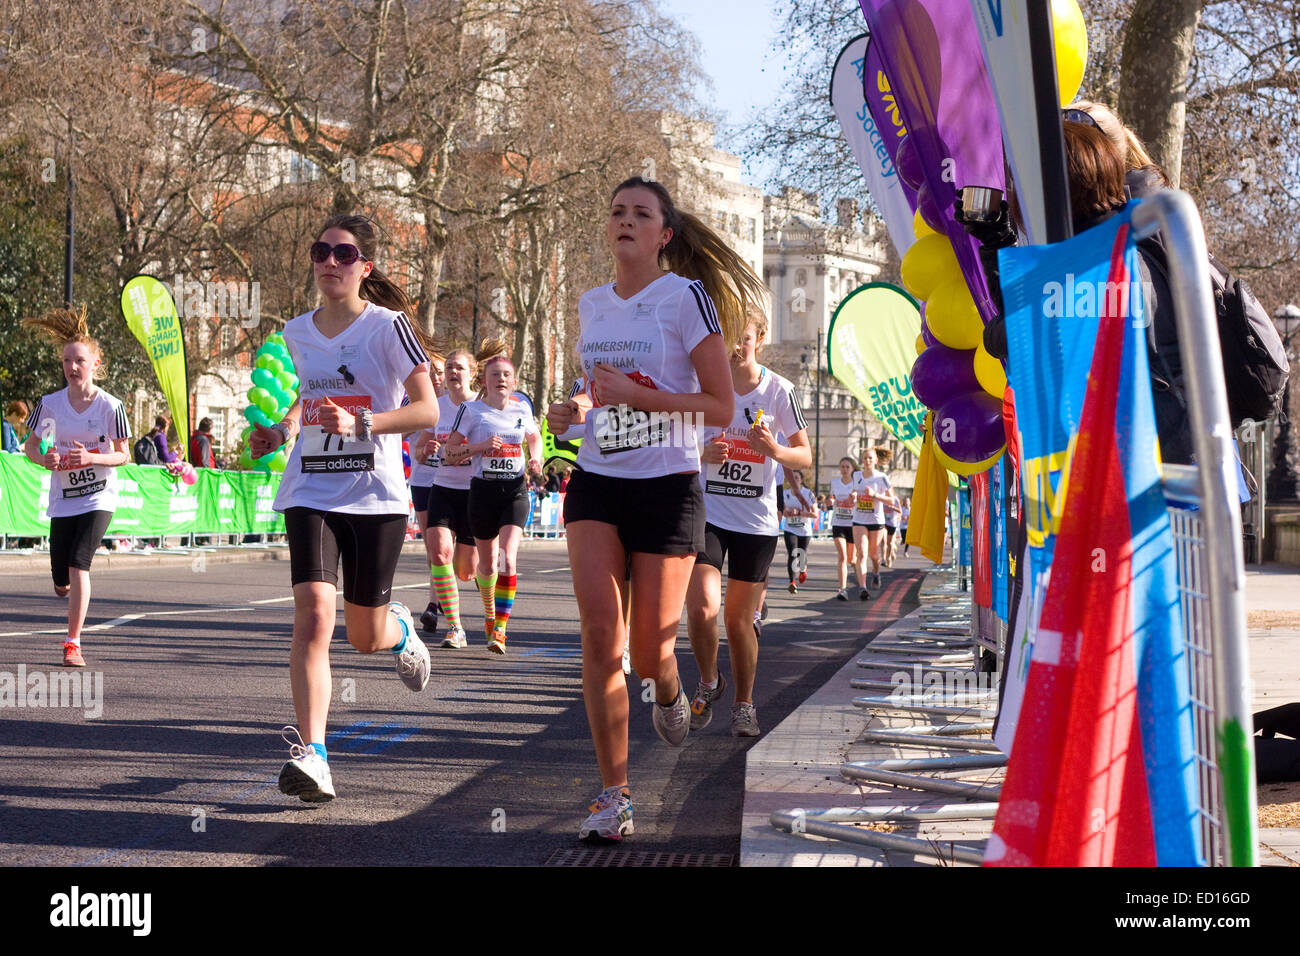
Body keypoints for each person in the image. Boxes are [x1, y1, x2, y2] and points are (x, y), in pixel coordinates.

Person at [546, 175, 764, 843]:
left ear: (664, 235)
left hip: (667, 486)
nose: (625, 221)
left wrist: (639, 399)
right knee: (599, 639)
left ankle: (669, 688)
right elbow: (600, 393)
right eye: (616, 212)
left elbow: (720, 407)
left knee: (646, 652)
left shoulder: (685, 298)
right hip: (597, 481)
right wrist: (577, 410)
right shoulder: (591, 303)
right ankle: (615, 796)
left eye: (641, 214)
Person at [249, 213, 438, 803]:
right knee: (311, 616)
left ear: (365, 267)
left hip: (374, 495)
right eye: (321, 251)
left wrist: (365, 422)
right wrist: (282, 432)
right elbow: (308, 399)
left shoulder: (389, 328)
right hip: (311, 488)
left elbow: (427, 409)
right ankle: (314, 755)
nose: (330, 262)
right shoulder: (296, 332)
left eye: (344, 253)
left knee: (362, 636)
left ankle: (400, 628)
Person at [686, 310, 810, 737]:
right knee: (702, 606)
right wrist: (702, 455)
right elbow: (678, 439)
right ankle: (709, 680)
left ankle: (744, 704)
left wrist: (775, 449)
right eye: (729, 337)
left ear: (760, 339)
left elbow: (805, 455)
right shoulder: (704, 387)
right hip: (710, 512)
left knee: (739, 621)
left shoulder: (779, 391)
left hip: (756, 522)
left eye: (745, 337)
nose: (736, 346)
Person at [21, 307, 131, 667]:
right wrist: (44, 459)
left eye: (80, 360)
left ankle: (73, 643)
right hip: (63, 498)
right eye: (67, 360)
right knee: (61, 578)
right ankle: (64, 589)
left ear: (95, 364)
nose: (72, 367)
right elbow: (32, 447)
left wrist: (92, 459)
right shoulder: (49, 405)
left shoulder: (110, 407)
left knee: (79, 564)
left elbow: (123, 456)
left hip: (99, 496)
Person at [445, 353, 542, 654]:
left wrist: (536, 458)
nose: (500, 379)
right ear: (484, 382)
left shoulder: (522, 408)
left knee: (507, 559)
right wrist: (480, 447)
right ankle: (489, 616)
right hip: (483, 492)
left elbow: (535, 437)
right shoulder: (471, 411)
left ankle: (500, 628)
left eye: (505, 375)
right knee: (486, 566)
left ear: (514, 382)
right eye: (494, 375)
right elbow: (450, 453)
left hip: (514, 491)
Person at [411, 347, 478, 649]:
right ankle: (455, 627)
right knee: (439, 554)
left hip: (476, 492)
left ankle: (490, 608)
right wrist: (426, 452)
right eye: (449, 367)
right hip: (442, 487)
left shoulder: (484, 406)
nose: (452, 372)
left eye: (459, 367)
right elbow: (420, 452)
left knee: (466, 570)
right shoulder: (436, 408)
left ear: (472, 374)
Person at [406, 350, 446, 635]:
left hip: (457, 482)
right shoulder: (412, 403)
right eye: (430, 372)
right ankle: (434, 604)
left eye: (440, 372)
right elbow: (396, 437)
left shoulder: (462, 405)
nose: (436, 377)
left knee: (460, 555)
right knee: (435, 548)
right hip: (423, 481)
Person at [853, 446, 897, 593]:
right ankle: (862, 587)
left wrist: (874, 495)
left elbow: (891, 501)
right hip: (859, 520)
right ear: (862, 460)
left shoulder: (881, 478)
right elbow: (854, 490)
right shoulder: (856, 475)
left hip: (876, 521)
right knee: (862, 553)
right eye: (865, 458)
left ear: (876, 460)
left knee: (873, 555)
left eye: (870, 458)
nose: (867, 461)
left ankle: (876, 573)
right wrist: (853, 495)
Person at [782, 468, 816, 592]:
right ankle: (792, 581)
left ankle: (803, 569)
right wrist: (788, 513)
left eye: (797, 478)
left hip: (804, 530)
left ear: (801, 480)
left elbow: (815, 514)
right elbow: (783, 512)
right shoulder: (785, 493)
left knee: (801, 552)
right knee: (793, 552)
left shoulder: (808, 493)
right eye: (793, 477)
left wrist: (800, 513)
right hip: (790, 528)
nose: (795, 480)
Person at [829, 456, 858, 600]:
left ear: (852, 469)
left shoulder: (856, 483)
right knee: (842, 556)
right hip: (838, 523)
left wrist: (853, 499)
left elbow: (860, 499)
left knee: (852, 559)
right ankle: (842, 589)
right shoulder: (834, 482)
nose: (844, 469)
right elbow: (831, 498)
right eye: (842, 466)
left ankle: (856, 569)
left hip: (853, 524)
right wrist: (832, 501)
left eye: (847, 467)